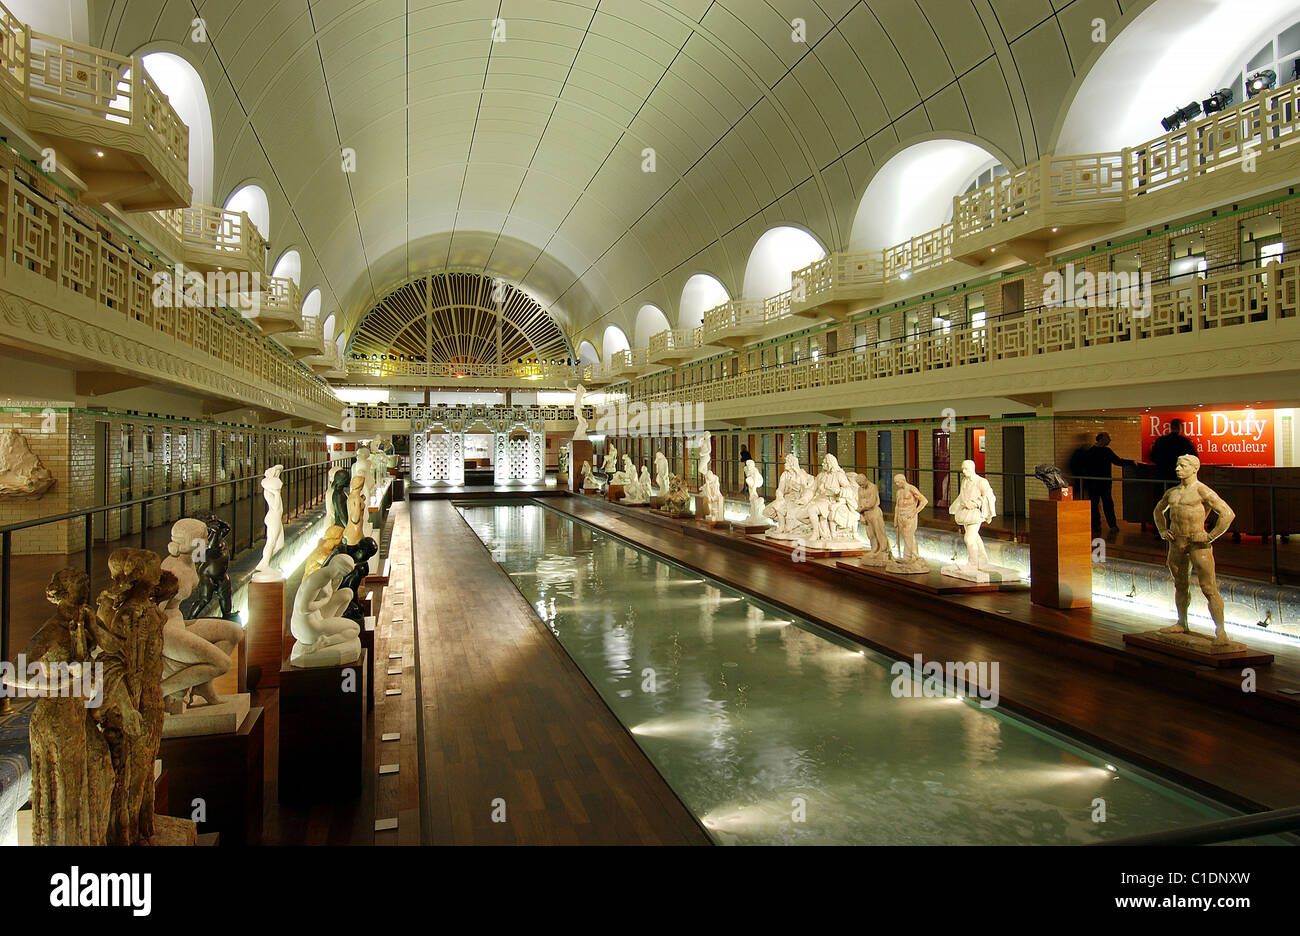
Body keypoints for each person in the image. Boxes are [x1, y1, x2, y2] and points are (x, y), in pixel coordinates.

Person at [1081, 432, 1135, 536]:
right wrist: (1131, 462)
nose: (1110, 440)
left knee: (1094, 505)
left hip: (1093, 483)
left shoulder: (1090, 452)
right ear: (1101, 439)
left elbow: (1085, 467)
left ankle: (1096, 525)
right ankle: (1112, 525)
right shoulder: (1106, 451)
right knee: (1108, 504)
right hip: (1105, 483)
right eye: (1108, 438)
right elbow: (1118, 461)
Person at [1149, 418, 1198, 485]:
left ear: (1170, 427)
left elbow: (1153, 457)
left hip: (1161, 474)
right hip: (1177, 476)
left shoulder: (1160, 440)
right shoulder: (1184, 442)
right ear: (1180, 428)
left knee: (1162, 493)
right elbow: (1194, 458)